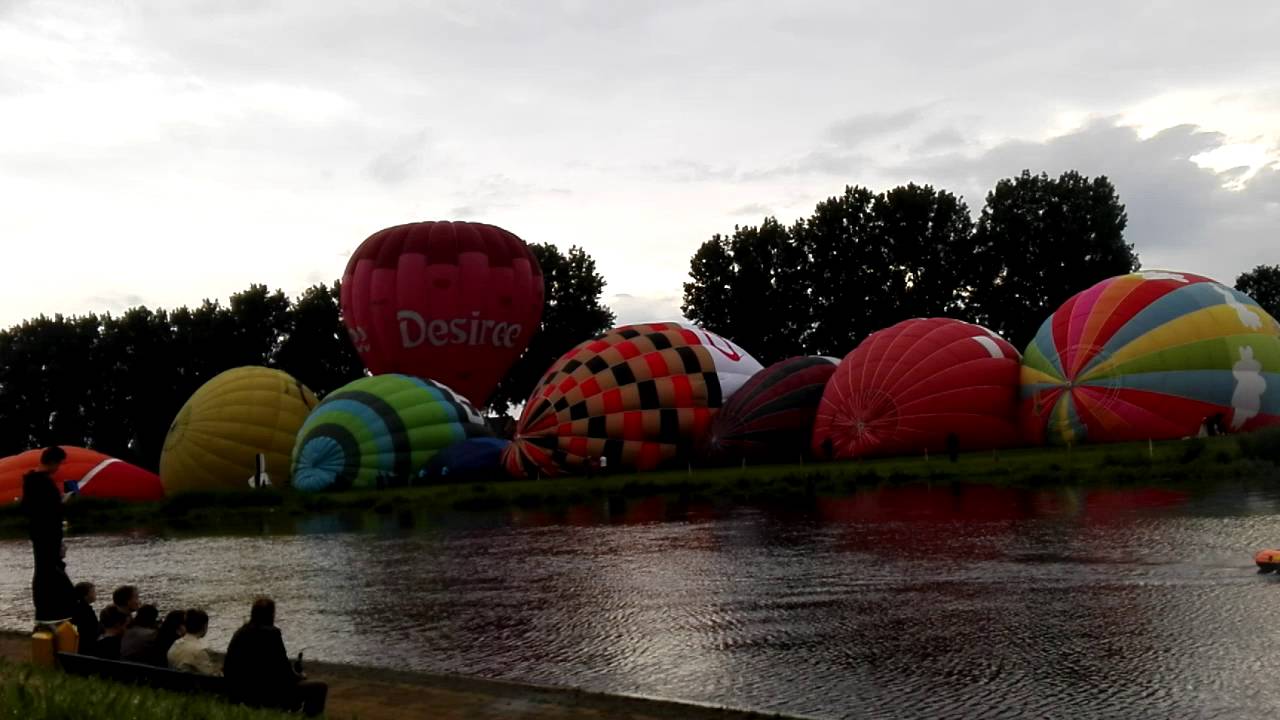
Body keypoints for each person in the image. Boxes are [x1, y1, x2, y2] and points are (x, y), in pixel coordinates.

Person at [223, 597, 327, 716]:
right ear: (271, 614)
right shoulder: (271, 634)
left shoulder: (240, 633)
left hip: (240, 692)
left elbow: (228, 666)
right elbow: (284, 671)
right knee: (320, 688)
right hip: (267, 695)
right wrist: (299, 676)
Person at [168, 609, 218, 675]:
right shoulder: (199, 650)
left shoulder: (175, 643)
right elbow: (211, 675)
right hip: (191, 684)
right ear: (204, 626)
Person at [70, 582, 101, 656]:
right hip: (88, 645)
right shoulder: (86, 611)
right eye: (93, 592)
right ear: (85, 596)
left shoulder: (77, 607)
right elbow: (93, 628)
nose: (95, 594)